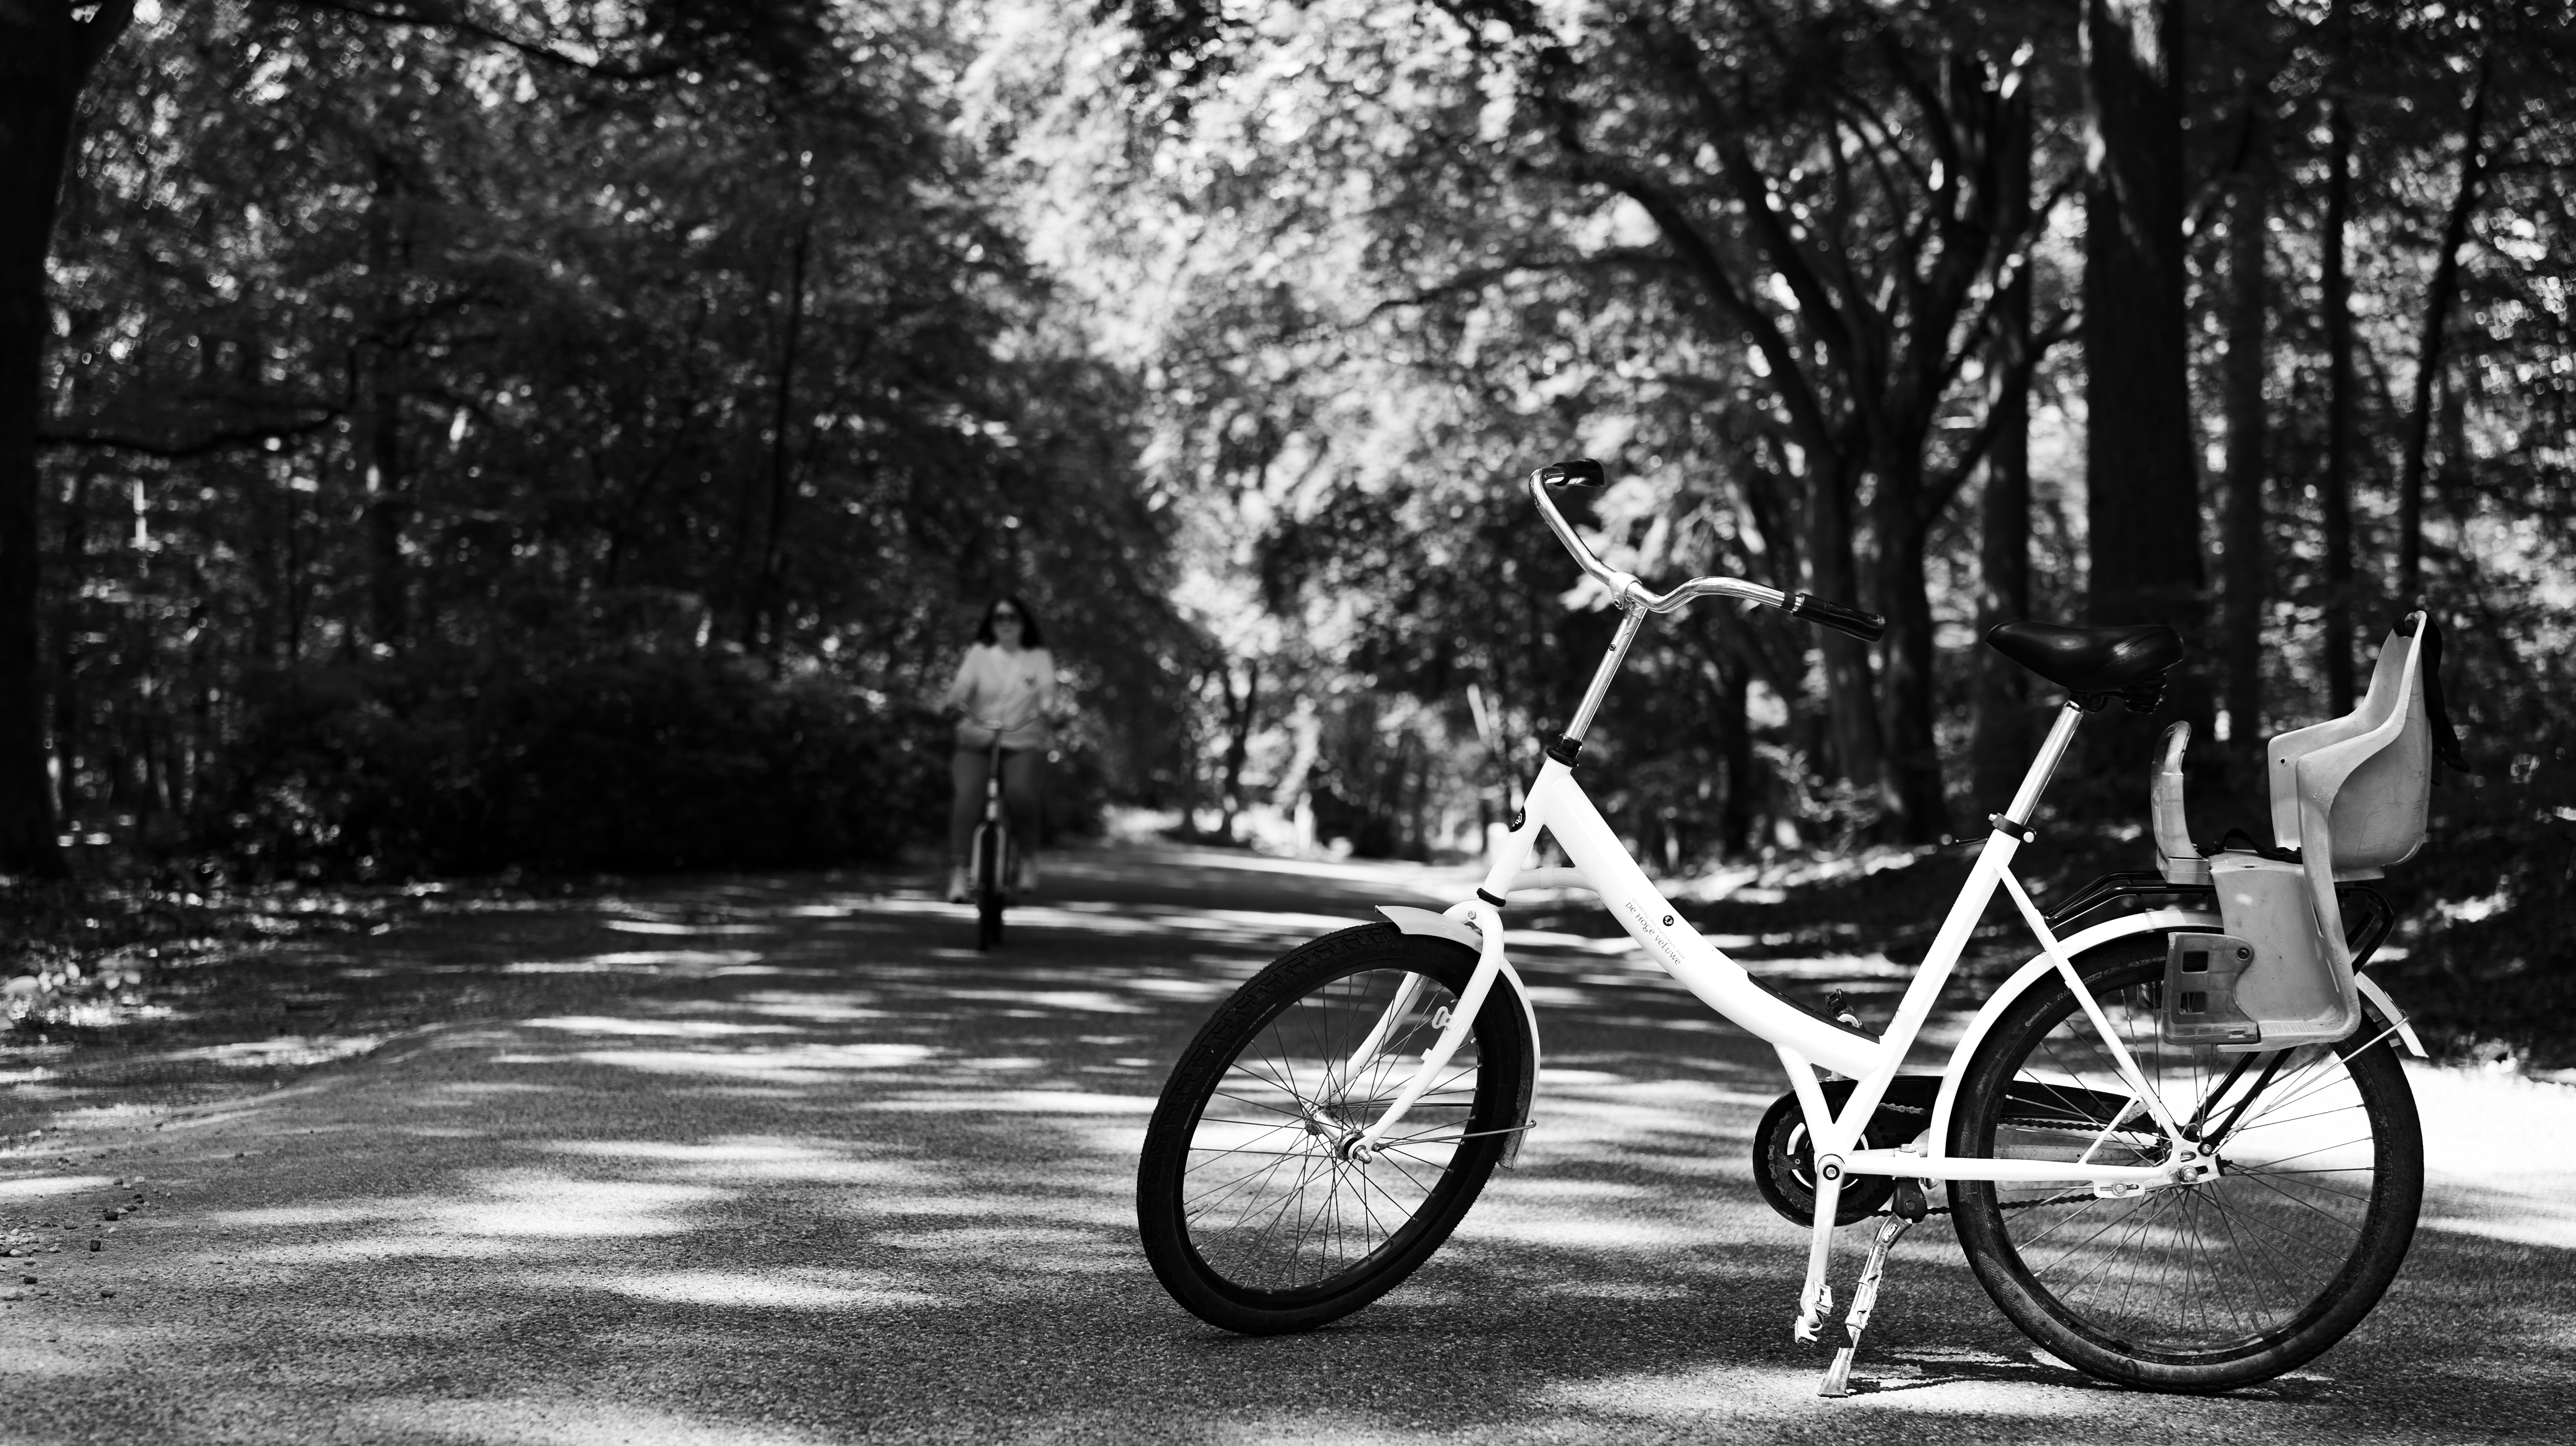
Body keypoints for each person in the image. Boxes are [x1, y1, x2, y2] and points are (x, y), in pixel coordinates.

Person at [940, 595, 1057, 903]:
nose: (1006, 623)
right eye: (999, 618)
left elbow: (1047, 694)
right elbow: (961, 687)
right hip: (977, 742)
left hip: (1022, 742)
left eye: (1013, 617)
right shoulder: (979, 654)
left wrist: (1049, 710)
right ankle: (959, 873)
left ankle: (1028, 857)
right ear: (991, 623)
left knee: (1021, 793)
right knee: (968, 797)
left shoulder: (1038, 657)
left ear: (1024, 622)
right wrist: (953, 702)